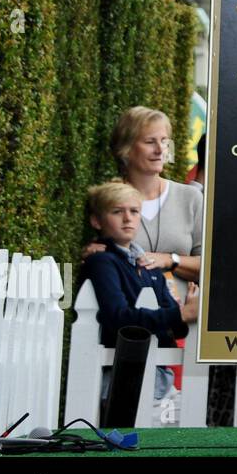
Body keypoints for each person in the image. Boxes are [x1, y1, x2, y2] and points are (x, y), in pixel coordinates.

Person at [80, 182, 199, 402]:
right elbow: (118, 318)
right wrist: (180, 314)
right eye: (117, 211)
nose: (128, 218)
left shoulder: (147, 265)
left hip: (162, 377)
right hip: (120, 376)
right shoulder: (102, 262)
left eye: (134, 211)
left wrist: (180, 315)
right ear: (97, 221)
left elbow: (176, 330)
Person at [82, 107, 203, 283]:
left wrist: (170, 260)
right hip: (125, 308)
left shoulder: (190, 198)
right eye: (150, 142)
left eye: (164, 141)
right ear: (126, 148)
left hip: (183, 309)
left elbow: (210, 266)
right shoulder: (107, 199)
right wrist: (89, 253)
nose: (160, 149)